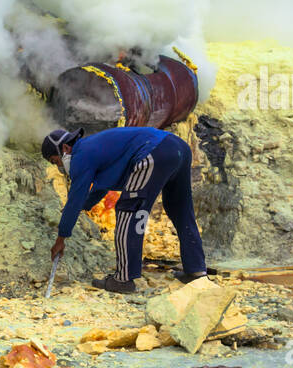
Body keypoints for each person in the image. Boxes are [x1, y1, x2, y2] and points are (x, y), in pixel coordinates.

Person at [41, 126, 206, 294]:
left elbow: (75, 199)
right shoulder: (92, 147)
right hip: (178, 147)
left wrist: (61, 238)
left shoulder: (79, 156)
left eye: (56, 161)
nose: (60, 167)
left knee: (128, 209)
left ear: (65, 148)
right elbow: (100, 188)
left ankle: (123, 280)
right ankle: (196, 269)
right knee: (179, 207)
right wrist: (84, 206)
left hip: (153, 152)